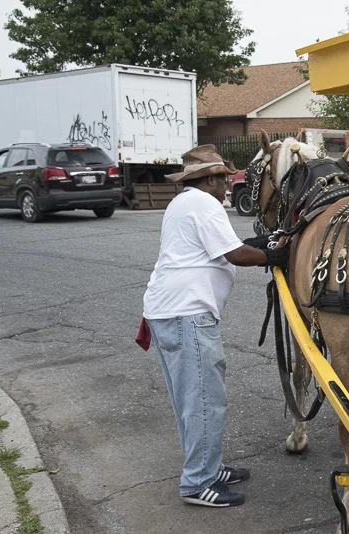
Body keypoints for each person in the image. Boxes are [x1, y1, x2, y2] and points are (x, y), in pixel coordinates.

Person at [140, 145, 288, 508]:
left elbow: (228, 246)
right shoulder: (204, 204)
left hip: (168, 311)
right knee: (205, 398)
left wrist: (262, 244)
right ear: (208, 179)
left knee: (193, 400)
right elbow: (235, 254)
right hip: (186, 314)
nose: (227, 181)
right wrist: (273, 255)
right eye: (222, 176)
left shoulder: (184, 203)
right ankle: (197, 483)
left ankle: (208, 466)